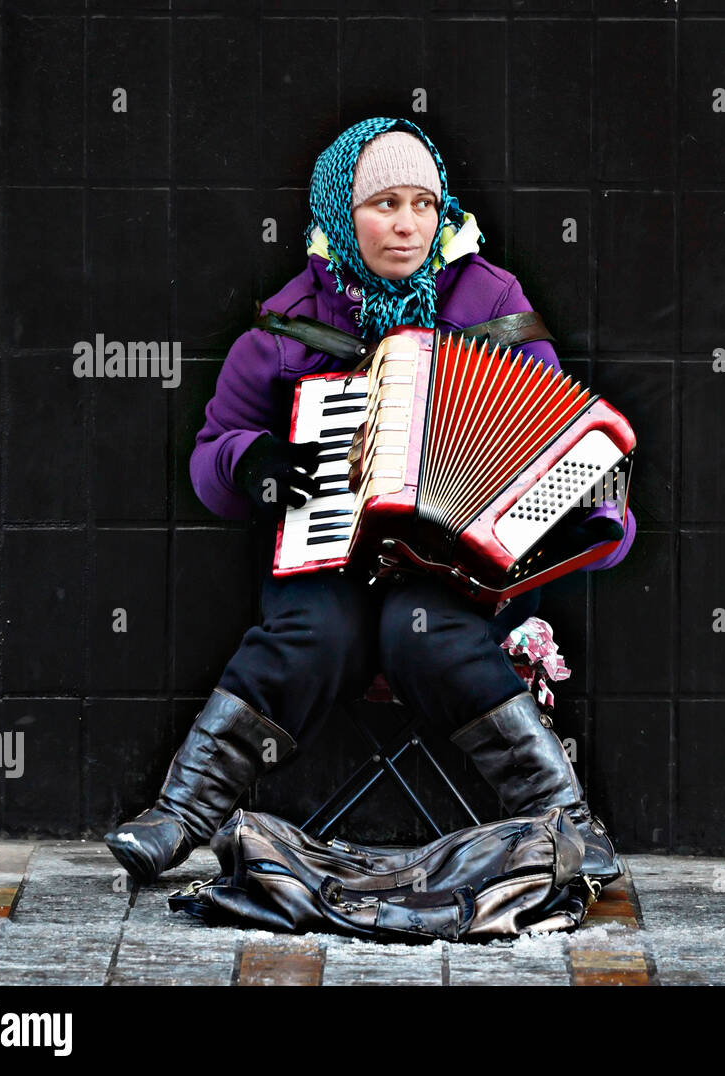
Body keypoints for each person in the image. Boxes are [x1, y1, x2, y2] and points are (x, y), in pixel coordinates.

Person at [105, 117, 636, 890]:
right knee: (311, 629)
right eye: (384, 203)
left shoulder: (494, 300)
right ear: (341, 216)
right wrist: (248, 462)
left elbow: (559, 434)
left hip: (460, 569)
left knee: (428, 636)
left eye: (424, 203)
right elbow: (212, 454)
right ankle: (180, 817)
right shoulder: (291, 323)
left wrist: (586, 510)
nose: (408, 223)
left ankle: (568, 824)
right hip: (331, 555)